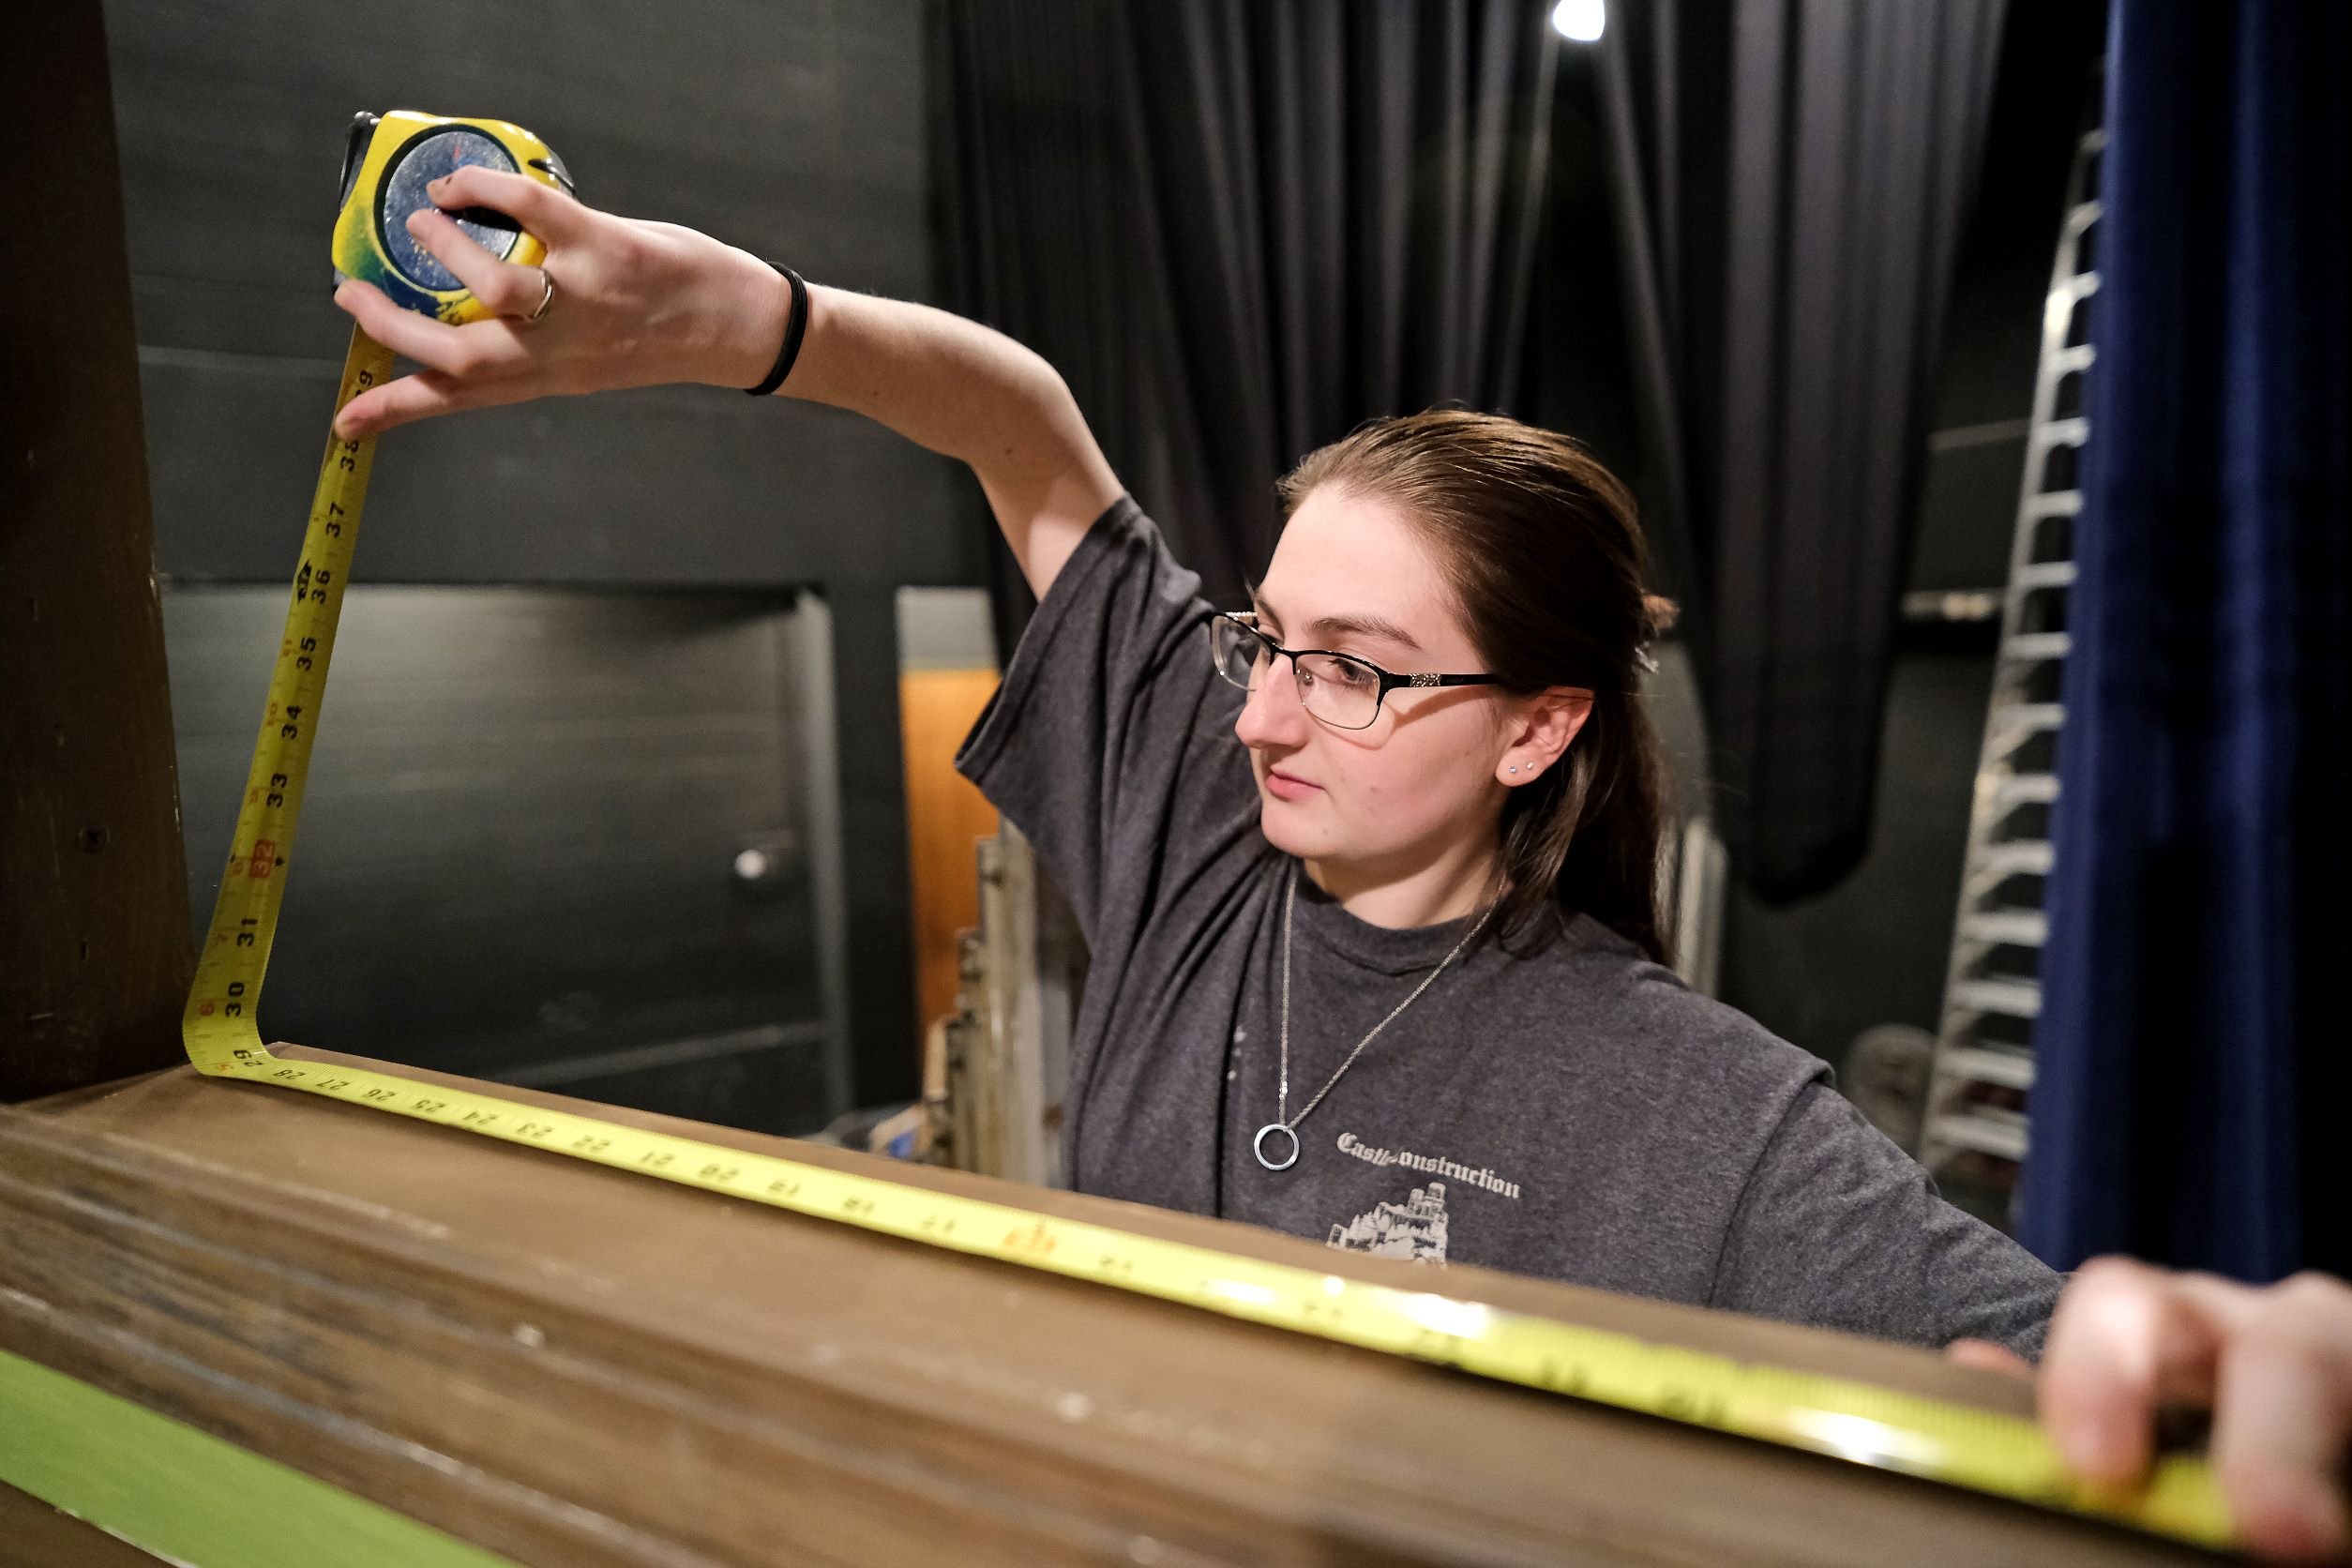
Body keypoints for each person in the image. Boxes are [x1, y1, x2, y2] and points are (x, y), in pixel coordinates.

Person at [330, 167, 2352, 1561]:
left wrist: (2239, 1377)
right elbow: (1028, 435)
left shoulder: (1713, 1116)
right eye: (1267, 639)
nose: (1266, 715)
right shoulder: (1205, 830)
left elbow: (2082, 1377)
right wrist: (742, 324)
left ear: (1541, 722)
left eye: (1361, 672)